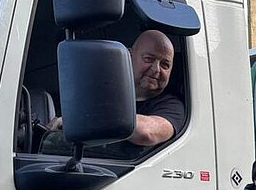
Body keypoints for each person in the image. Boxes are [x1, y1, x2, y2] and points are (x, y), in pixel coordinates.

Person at [46, 29, 185, 157]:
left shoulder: (173, 107)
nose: (156, 69)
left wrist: (80, 120)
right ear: (128, 56)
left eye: (165, 65)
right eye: (149, 59)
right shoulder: (98, 97)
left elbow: (147, 133)